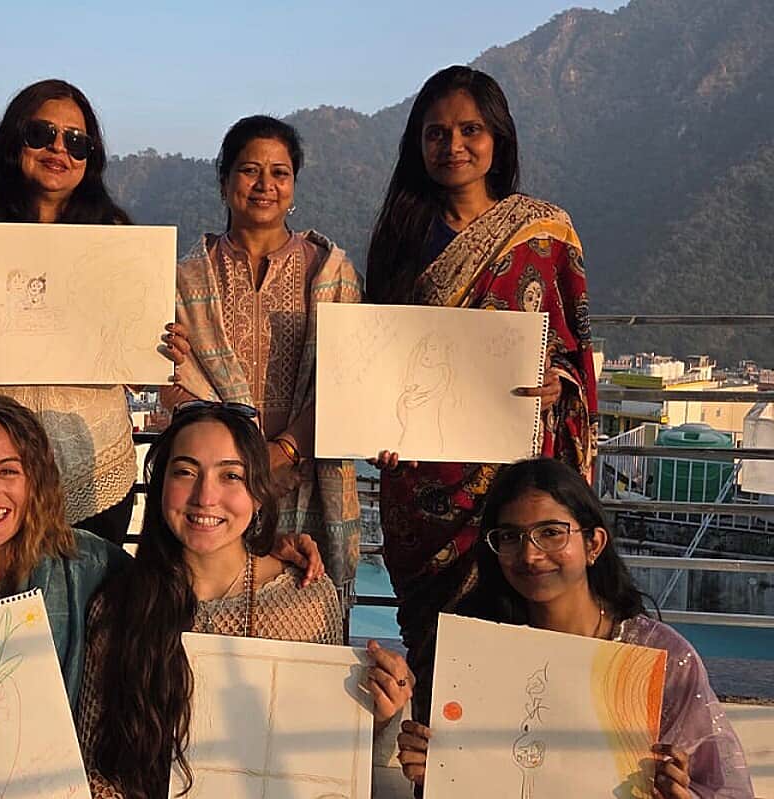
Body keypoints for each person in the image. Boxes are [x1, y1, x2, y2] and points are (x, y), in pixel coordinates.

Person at [0, 395, 327, 797]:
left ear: (36, 482)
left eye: (9, 471)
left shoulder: (87, 568)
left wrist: (262, 551)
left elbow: (187, 598)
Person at [364, 65, 598, 722]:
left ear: (499, 136)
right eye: (436, 133)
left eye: (470, 129)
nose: (453, 145)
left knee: (525, 651)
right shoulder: (401, 237)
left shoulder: (544, 231)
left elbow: (577, 353)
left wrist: (562, 384)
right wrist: (377, 424)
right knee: (437, 669)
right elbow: (382, 356)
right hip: (422, 490)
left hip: (519, 481)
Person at [78, 403, 411, 799]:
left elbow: (322, 748)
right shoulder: (118, 605)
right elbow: (94, 763)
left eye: (230, 476)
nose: (206, 496)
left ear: (258, 495)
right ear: (160, 485)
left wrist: (377, 716)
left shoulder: (305, 600)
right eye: (185, 472)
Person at [396, 457, 754, 798]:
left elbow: (724, 787)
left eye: (551, 532)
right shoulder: (473, 655)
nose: (530, 555)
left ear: (593, 543)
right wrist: (433, 774)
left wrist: (680, 793)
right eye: (510, 536)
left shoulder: (659, 657)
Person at [0, 78, 144, 546]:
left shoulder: (117, 239)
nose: (58, 149)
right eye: (41, 134)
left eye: (76, 141)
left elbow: (134, 358)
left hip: (95, 461)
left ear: (90, 157)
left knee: (86, 610)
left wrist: (154, 350)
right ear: (13, 140)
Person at [160, 115, 363, 590]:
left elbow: (348, 381)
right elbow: (172, 385)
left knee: (305, 613)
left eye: (280, 173)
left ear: (294, 183)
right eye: (250, 170)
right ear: (224, 179)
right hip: (215, 485)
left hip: (310, 478)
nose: (265, 185)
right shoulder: (185, 279)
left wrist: (284, 450)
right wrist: (243, 462)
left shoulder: (332, 274)